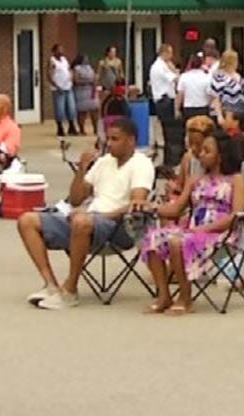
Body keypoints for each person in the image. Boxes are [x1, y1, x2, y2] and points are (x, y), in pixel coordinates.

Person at [15, 117, 154, 310]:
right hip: (89, 219)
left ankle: (70, 290)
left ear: (130, 141)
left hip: (119, 226)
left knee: (81, 221)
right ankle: (51, 286)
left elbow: (136, 203)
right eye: (108, 139)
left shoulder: (141, 163)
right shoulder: (104, 162)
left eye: (115, 139)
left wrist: (100, 216)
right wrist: (81, 169)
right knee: (27, 220)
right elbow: (75, 199)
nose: (109, 144)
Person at [140, 130, 244, 315]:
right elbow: (176, 209)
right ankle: (164, 295)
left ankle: (185, 297)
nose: (200, 154)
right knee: (153, 238)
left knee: (177, 241)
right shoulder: (195, 180)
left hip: (221, 235)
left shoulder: (236, 180)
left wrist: (204, 229)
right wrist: (150, 208)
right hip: (194, 231)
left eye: (207, 151)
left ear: (220, 156)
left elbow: (235, 216)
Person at [150, 44, 182, 165]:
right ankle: (171, 160)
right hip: (165, 101)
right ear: (164, 53)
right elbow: (176, 79)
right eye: (170, 53)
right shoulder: (160, 67)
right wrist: (174, 69)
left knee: (169, 131)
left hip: (164, 100)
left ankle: (170, 159)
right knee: (171, 131)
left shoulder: (160, 66)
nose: (172, 56)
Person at [208, 49, 244, 130]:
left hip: (240, 113)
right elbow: (215, 97)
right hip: (225, 113)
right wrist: (219, 116)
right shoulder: (219, 77)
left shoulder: (238, 76)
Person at [50, 44, 77, 137]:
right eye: (59, 50)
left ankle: (72, 126)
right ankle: (60, 127)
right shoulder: (52, 61)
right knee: (60, 109)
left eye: (62, 49)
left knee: (71, 107)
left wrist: (71, 76)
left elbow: (69, 70)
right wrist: (56, 86)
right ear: (54, 51)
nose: (61, 51)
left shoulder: (64, 60)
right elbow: (49, 74)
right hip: (58, 88)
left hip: (68, 86)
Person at [176, 53, 211, 121]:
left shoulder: (184, 77)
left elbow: (180, 95)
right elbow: (210, 93)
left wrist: (177, 109)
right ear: (201, 64)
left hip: (189, 109)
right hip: (203, 108)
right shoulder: (207, 77)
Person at [72, 54, 98, 136]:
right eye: (85, 58)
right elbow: (75, 81)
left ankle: (96, 129)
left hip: (91, 91)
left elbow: (94, 78)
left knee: (95, 110)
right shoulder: (76, 68)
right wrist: (86, 82)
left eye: (87, 58)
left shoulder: (90, 68)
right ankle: (82, 129)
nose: (87, 60)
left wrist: (94, 84)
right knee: (82, 112)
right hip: (81, 92)